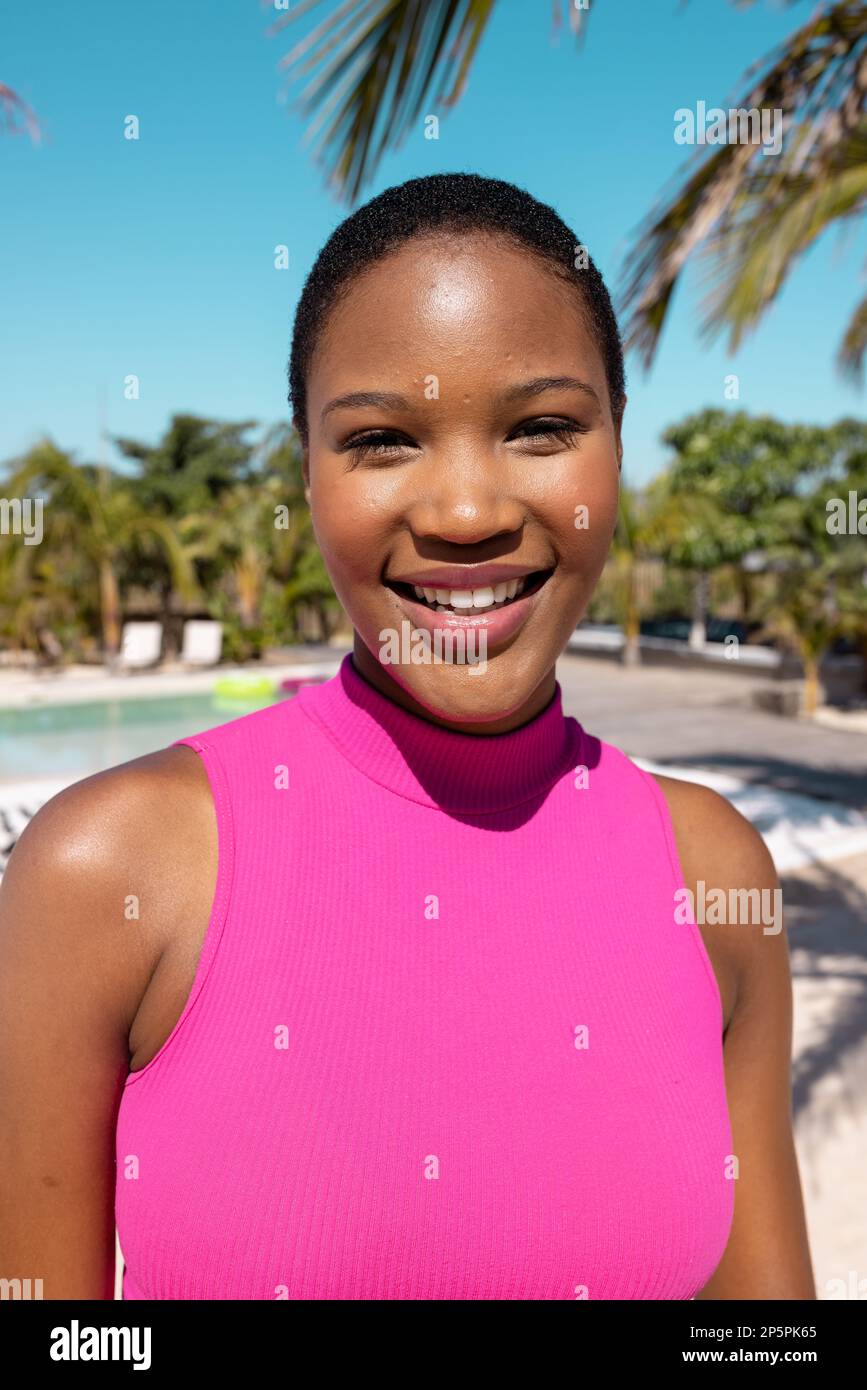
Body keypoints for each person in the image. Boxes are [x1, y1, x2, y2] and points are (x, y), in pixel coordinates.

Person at [0, 173, 815, 1300]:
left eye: (541, 428)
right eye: (382, 439)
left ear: (617, 452)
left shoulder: (716, 874)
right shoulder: (110, 871)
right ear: (308, 475)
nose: (466, 511)